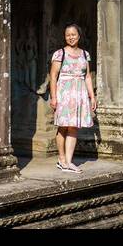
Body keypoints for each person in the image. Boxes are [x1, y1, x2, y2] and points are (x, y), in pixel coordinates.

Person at [49, 23, 95, 174]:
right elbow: (53, 77)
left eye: (73, 34)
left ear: (79, 36)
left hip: (79, 92)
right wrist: (54, 97)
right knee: (62, 126)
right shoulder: (59, 54)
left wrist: (92, 96)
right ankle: (61, 160)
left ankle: (68, 161)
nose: (71, 37)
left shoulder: (84, 54)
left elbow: (87, 76)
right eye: (68, 35)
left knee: (73, 126)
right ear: (65, 37)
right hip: (64, 93)